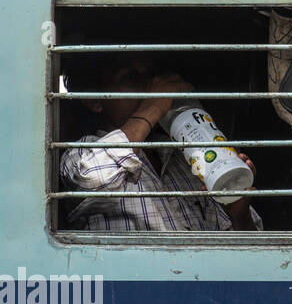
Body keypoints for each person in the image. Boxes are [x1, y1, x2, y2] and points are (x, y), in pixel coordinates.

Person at [59, 54, 261, 231]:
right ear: (95, 101)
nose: (149, 86)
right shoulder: (82, 152)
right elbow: (94, 179)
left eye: (150, 76)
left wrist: (239, 215)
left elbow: (254, 261)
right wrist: (154, 105)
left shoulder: (185, 156)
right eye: (130, 77)